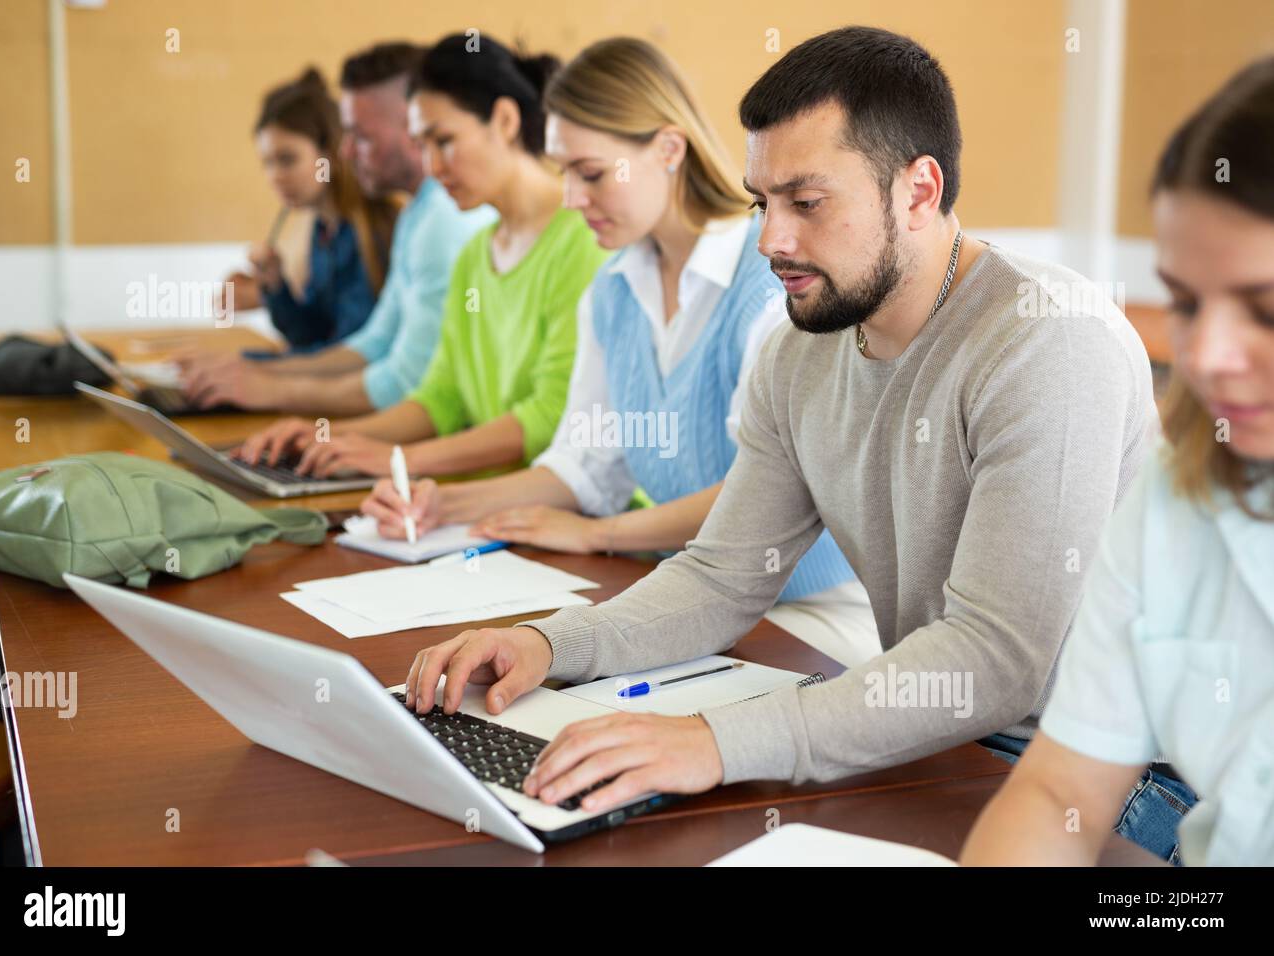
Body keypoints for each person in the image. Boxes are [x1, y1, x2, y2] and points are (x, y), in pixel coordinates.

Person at [396, 27, 1177, 859]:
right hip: (948, 747)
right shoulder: (798, 349)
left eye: (807, 203)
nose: (771, 240)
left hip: (1118, 788)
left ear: (918, 191)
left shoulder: (1048, 340)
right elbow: (724, 575)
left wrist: (714, 741)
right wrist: (550, 643)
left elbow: (994, 663)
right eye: (760, 202)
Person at [358, 36, 876, 665]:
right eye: (564, 174)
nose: (572, 200)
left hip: (811, 615)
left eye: (592, 173)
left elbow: (757, 495)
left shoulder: (773, 282)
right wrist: (444, 502)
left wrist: (600, 535)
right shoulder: (610, 292)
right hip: (693, 599)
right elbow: (587, 462)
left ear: (666, 149)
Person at [962, 58, 1274, 867]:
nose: (1201, 355)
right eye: (1185, 300)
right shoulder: (1179, 500)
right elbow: (1060, 792)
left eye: (1265, 310)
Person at [236, 34, 608, 479]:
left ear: (505, 120)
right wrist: (329, 438)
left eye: (444, 140)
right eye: (422, 145)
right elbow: (439, 397)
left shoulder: (583, 240)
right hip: (468, 510)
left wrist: (400, 459)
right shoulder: (476, 254)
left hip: (547, 519)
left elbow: (552, 415)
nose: (432, 167)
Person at [180, 43, 493, 415]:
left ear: (412, 126)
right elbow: (372, 344)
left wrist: (271, 385)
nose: (346, 152)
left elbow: (405, 380)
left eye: (361, 136)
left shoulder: (438, 219)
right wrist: (256, 365)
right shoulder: (416, 214)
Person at [238, 67, 394, 353]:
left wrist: (262, 371)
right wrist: (275, 286)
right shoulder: (323, 230)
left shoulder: (369, 230)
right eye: (267, 163)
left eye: (287, 159)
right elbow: (310, 334)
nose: (275, 176)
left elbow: (346, 351)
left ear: (330, 153)